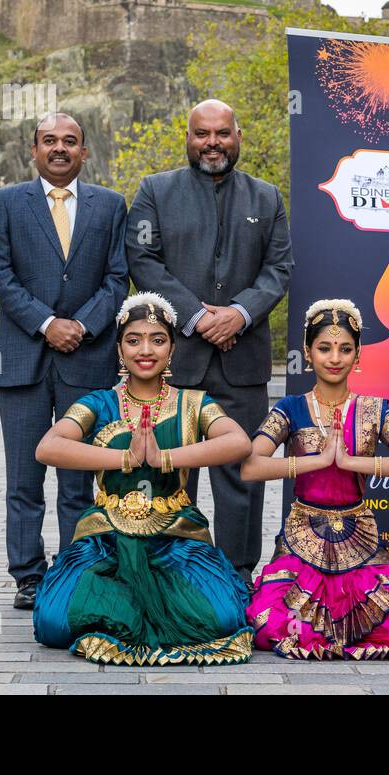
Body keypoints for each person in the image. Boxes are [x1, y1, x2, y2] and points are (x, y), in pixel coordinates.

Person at [33, 293, 256, 665]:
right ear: (119, 348)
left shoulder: (194, 403)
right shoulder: (98, 403)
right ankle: (135, 605)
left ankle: (137, 609)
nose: (145, 350)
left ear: (172, 349)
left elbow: (238, 442)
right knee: (54, 620)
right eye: (133, 340)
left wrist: (163, 458)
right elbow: (48, 447)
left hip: (176, 536)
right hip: (107, 537)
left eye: (157, 339)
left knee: (224, 617)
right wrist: (126, 458)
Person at [126, 99, 294, 584]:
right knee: (169, 474)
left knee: (242, 475)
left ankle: (238, 577)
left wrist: (239, 314)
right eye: (202, 133)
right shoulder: (154, 191)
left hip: (243, 365)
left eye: (222, 133)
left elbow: (279, 269)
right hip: (176, 366)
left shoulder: (267, 197)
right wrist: (197, 316)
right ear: (188, 137)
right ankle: (170, 577)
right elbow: (143, 261)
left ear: (238, 136)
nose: (213, 143)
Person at [0, 112, 130, 611]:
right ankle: (28, 575)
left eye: (70, 141)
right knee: (24, 476)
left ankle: (75, 567)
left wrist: (81, 326)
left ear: (85, 152)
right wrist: (47, 323)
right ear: (34, 150)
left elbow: (117, 278)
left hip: (87, 361)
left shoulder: (110, 206)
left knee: (79, 477)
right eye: (49, 141)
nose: (59, 148)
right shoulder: (5, 203)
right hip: (22, 358)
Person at [243, 299, 389, 660]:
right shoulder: (289, 408)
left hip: (359, 534)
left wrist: (352, 462)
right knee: (272, 625)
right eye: (324, 348)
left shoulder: (376, 409)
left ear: (358, 356)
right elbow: (251, 466)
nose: (334, 357)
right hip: (303, 535)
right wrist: (314, 462)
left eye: (345, 349)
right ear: (308, 353)